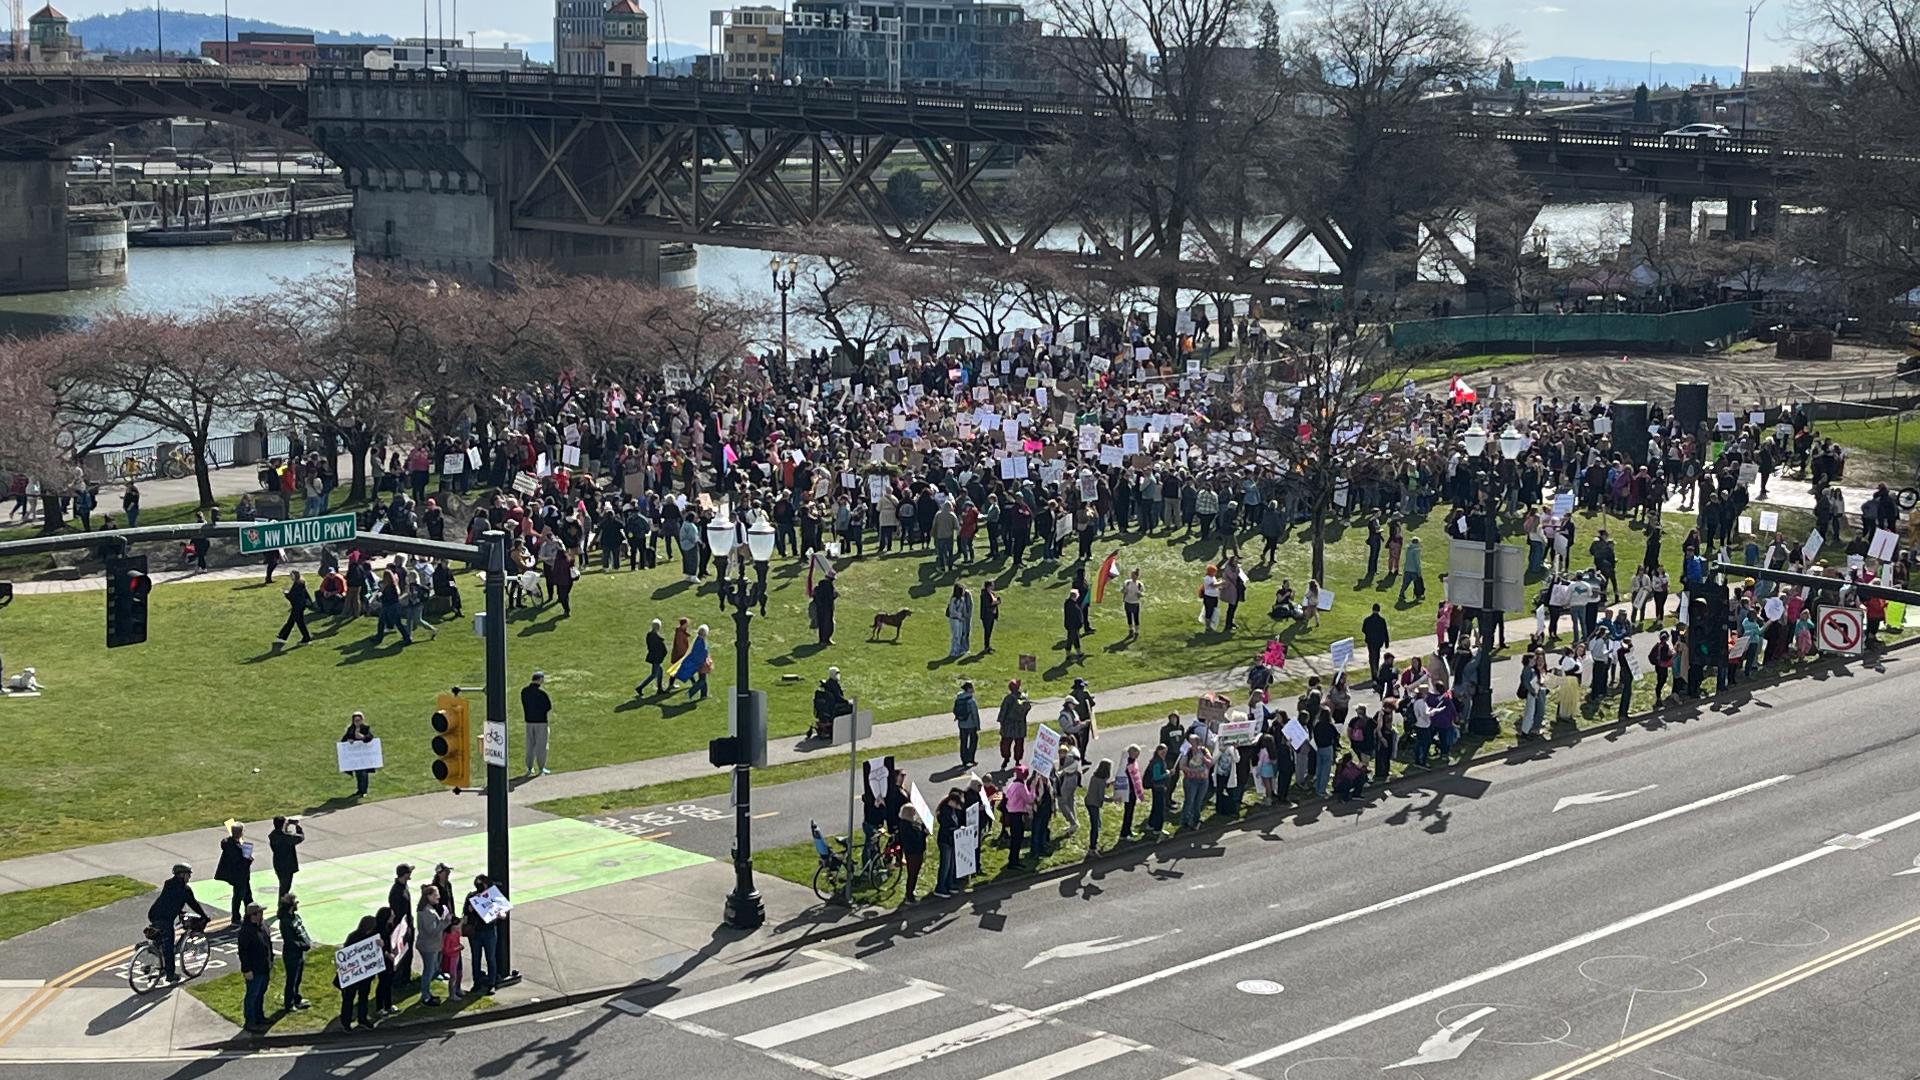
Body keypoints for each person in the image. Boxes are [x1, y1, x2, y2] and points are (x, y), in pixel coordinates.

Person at [147, 863, 209, 983]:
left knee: (160, 940)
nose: (189, 877)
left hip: (154, 914)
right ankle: (170, 975)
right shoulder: (185, 890)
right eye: (188, 875)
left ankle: (157, 955)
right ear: (182, 875)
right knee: (169, 947)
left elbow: (169, 900)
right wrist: (204, 916)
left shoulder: (168, 883)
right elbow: (193, 904)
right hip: (165, 919)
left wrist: (179, 910)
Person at [338, 914, 378, 1031]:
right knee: (350, 998)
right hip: (353, 975)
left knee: (363, 997)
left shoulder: (370, 937)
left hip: (364, 974)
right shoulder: (354, 937)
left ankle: (362, 1019)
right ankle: (347, 1022)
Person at [462, 875, 500, 994]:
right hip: (476, 932)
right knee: (476, 958)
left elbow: (501, 911)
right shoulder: (471, 896)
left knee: (491, 958)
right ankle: (477, 982)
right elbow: (465, 912)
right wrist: (470, 909)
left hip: (489, 931)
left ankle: (491, 983)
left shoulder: (492, 896)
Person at [237, 904, 272, 1030]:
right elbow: (243, 952)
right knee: (252, 995)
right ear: (253, 915)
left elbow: (268, 944)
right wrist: (246, 970)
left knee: (261, 993)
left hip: (264, 966)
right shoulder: (246, 931)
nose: (262, 915)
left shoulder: (262, 926)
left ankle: (259, 1016)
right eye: (260, 913)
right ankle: (250, 1021)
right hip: (254, 969)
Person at [278, 892, 313, 1012]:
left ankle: (297, 999)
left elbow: (302, 931)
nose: (298, 904)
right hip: (291, 954)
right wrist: (305, 945)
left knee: (298, 979)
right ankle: (289, 1003)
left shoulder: (295, 917)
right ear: (291, 905)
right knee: (291, 980)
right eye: (296, 902)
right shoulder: (285, 921)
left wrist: (306, 942)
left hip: (299, 953)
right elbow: (290, 941)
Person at [215, 823, 254, 927]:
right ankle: (236, 917)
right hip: (239, 875)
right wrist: (249, 859)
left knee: (247, 896)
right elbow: (242, 862)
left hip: (240, 875)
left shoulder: (228, 843)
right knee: (239, 896)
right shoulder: (236, 847)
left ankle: (250, 912)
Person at [415, 886, 449, 1006]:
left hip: (427, 944)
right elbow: (432, 931)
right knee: (429, 971)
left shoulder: (426, 909)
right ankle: (425, 997)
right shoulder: (428, 912)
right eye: (435, 895)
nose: (438, 897)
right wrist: (445, 922)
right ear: (428, 896)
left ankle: (427, 994)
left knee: (430, 970)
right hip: (429, 946)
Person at [521, 671, 552, 777]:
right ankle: (541, 768)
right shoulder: (542, 694)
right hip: (541, 722)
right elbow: (548, 707)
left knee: (530, 745)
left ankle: (530, 767)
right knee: (541, 746)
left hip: (529, 722)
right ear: (540, 680)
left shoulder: (524, 691)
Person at [896, 805, 928, 903]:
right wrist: (924, 833)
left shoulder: (909, 823)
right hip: (913, 853)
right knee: (912, 874)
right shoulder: (906, 826)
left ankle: (911, 892)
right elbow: (915, 839)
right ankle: (909, 896)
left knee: (914, 874)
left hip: (916, 852)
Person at [997, 679, 1031, 770]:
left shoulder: (1008, 699)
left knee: (1006, 743)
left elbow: (1003, 711)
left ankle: (1006, 758)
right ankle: (1017, 760)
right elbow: (1027, 708)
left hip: (1008, 725)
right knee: (1019, 744)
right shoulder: (1023, 698)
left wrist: (1001, 722)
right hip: (1020, 726)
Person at [340, 712, 376, 797]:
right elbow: (343, 740)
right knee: (358, 774)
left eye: (359, 720)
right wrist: (349, 740)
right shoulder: (350, 729)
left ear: (362, 720)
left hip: (364, 755)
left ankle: (364, 791)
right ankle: (359, 790)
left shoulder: (365, 728)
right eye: (355, 720)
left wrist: (363, 737)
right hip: (355, 756)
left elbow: (370, 737)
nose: (357, 722)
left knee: (364, 774)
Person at [268, 816, 303, 898]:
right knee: (285, 888)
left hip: (278, 864)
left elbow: (282, 833)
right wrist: (298, 827)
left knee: (283, 885)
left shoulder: (273, 835)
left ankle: (282, 904)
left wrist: (285, 826)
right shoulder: (286, 837)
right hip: (287, 865)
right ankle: (282, 906)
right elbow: (300, 837)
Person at [277, 570, 313, 647]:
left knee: (300, 623)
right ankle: (282, 636)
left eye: (291, 575)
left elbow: (293, 597)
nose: (290, 577)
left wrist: (286, 594)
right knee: (291, 621)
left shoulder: (298, 584)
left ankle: (306, 638)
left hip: (298, 606)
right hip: (300, 606)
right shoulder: (301, 582)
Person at [1083, 759, 1112, 856]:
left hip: (1088, 801)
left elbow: (1097, 787)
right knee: (1095, 826)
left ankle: (1093, 844)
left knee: (1098, 823)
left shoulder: (1094, 777)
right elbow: (1101, 797)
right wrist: (1111, 799)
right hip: (1094, 804)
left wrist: (1108, 785)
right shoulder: (1102, 781)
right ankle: (1092, 847)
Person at [636, 618, 669, 696]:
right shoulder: (658, 639)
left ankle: (660, 689)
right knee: (654, 674)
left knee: (660, 672)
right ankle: (640, 687)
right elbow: (664, 650)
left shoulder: (649, 635)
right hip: (656, 658)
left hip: (652, 656)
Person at [953, 680, 981, 767]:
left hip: (961, 724)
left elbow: (955, 710)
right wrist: (978, 726)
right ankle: (971, 758)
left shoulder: (959, 698)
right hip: (971, 725)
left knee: (963, 742)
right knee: (973, 741)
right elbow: (975, 714)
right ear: (969, 689)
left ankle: (964, 760)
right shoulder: (971, 700)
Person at [1362, 602, 1390, 682]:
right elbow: (1385, 631)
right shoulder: (1381, 620)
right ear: (1379, 610)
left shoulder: (1367, 620)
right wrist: (1386, 642)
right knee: (1376, 657)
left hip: (1370, 642)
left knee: (1371, 656)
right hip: (1378, 642)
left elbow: (1363, 629)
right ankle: (1376, 672)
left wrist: (1369, 634)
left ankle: (1373, 673)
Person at [946, 583, 973, 658]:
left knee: (960, 635)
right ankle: (954, 651)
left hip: (960, 620)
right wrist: (960, 616)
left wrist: (965, 616)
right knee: (956, 636)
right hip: (955, 620)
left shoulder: (962, 599)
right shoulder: (954, 600)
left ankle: (959, 650)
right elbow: (952, 611)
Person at [1399, 536, 1425, 602]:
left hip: (1407, 569)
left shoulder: (1408, 549)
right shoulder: (1416, 551)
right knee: (1417, 584)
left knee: (1405, 583)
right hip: (1414, 570)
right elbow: (1417, 562)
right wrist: (1419, 571)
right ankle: (1418, 597)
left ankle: (1401, 594)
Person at [1063, 588, 1086, 660]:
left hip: (1072, 625)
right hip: (1073, 626)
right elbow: (1075, 616)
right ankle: (1068, 655)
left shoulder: (1069, 603)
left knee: (1076, 639)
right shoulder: (1072, 605)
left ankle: (1079, 653)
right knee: (1070, 639)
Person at [1120, 569, 1144, 638]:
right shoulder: (1127, 582)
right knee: (1129, 616)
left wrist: (1140, 594)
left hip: (1135, 603)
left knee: (1136, 617)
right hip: (1128, 602)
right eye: (1131, 575)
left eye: (1133, 575)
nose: (1132, 576)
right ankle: (1131, 629)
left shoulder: (1139, 584)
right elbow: (1122, 590)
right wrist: (1123, 592)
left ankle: (1136, 631)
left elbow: (1142, 594)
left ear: (1137, 576)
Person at [979, 581, 1000, 652]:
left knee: (990, 631)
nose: (993, 586)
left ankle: (988, 646)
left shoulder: (992, 593)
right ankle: (986, 647)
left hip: (992, 615)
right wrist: (996, 603)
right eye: (992, 585)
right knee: (987, 631)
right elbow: (987, 605)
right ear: (988, 586)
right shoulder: (984, 594)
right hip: (987, 616)